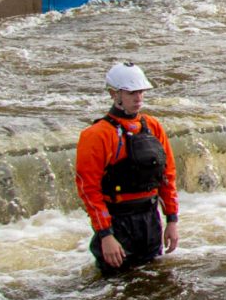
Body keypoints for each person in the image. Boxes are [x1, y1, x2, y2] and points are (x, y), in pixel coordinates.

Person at [74, 62, 180, 276]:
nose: (138, 98)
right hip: (118, 224)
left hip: (150, 221)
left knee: (155, 286)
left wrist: (171, 220)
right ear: (115, 94)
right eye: (131, 92)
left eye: (140, 92)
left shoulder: (153, 126)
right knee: (115, 293)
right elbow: (89, 190)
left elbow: (167, 176)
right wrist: (106, 235)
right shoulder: (96, 135)